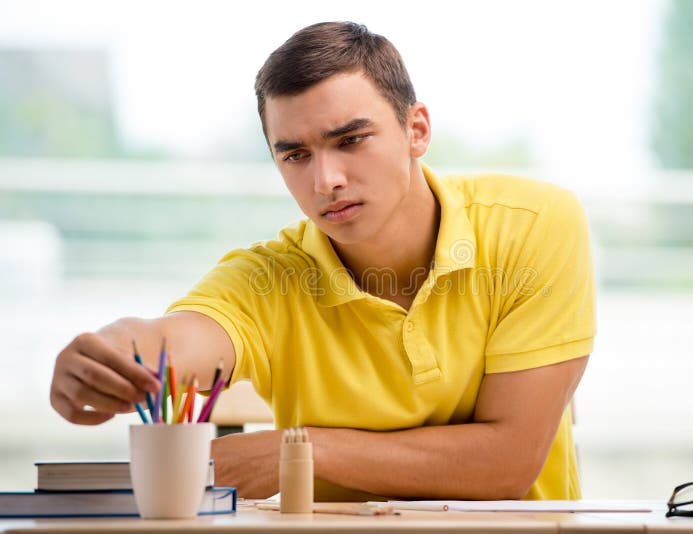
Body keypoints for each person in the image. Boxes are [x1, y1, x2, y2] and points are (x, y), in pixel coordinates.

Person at [49, 21, 595, 501]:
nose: (325, 180)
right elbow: (177, 340)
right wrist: (112, 352)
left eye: (351, 140)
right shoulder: (268, 278)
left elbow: (507, 463)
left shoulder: (533, 224)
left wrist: (295, 451)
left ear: (417, 129)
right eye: (295, 154)